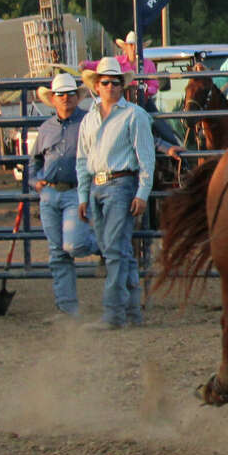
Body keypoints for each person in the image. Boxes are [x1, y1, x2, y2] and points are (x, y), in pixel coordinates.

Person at [76, 57, 156, 329]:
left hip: (121, 185)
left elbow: (146, 157)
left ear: (122, 86)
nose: (110, 86)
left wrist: (142, 192)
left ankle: (113, 313)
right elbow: (81, 159)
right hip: (99, 185)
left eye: (115, 82)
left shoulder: (135, 115)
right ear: (97, 86)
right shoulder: (89, 119)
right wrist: (83, 195)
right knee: (119, 250)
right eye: (105, 82)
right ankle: (132, 311)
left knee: (112, 249)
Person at [30, 73, 97, 317]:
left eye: (70, 94)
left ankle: (102, 245)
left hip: (76, 191)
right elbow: (34, 161)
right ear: (53, 99)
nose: (66, 98)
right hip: (50, 194)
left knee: (73, 245)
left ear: (76, 97)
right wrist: (35, 181)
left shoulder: (88, 122)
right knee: (58, 253)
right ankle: (67, 309)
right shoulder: (46, 128)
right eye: (61, 94)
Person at [114, 31, 158, 100]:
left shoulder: (149, 64)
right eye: (131, 45)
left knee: (154, 111)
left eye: (137, 45)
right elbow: (99, 65)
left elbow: (154, 86)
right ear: (126, 47)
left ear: (141, 48)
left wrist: (146, 89)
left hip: (143, 101)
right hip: (120, 100)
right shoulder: (116, 61)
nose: (134, 48)